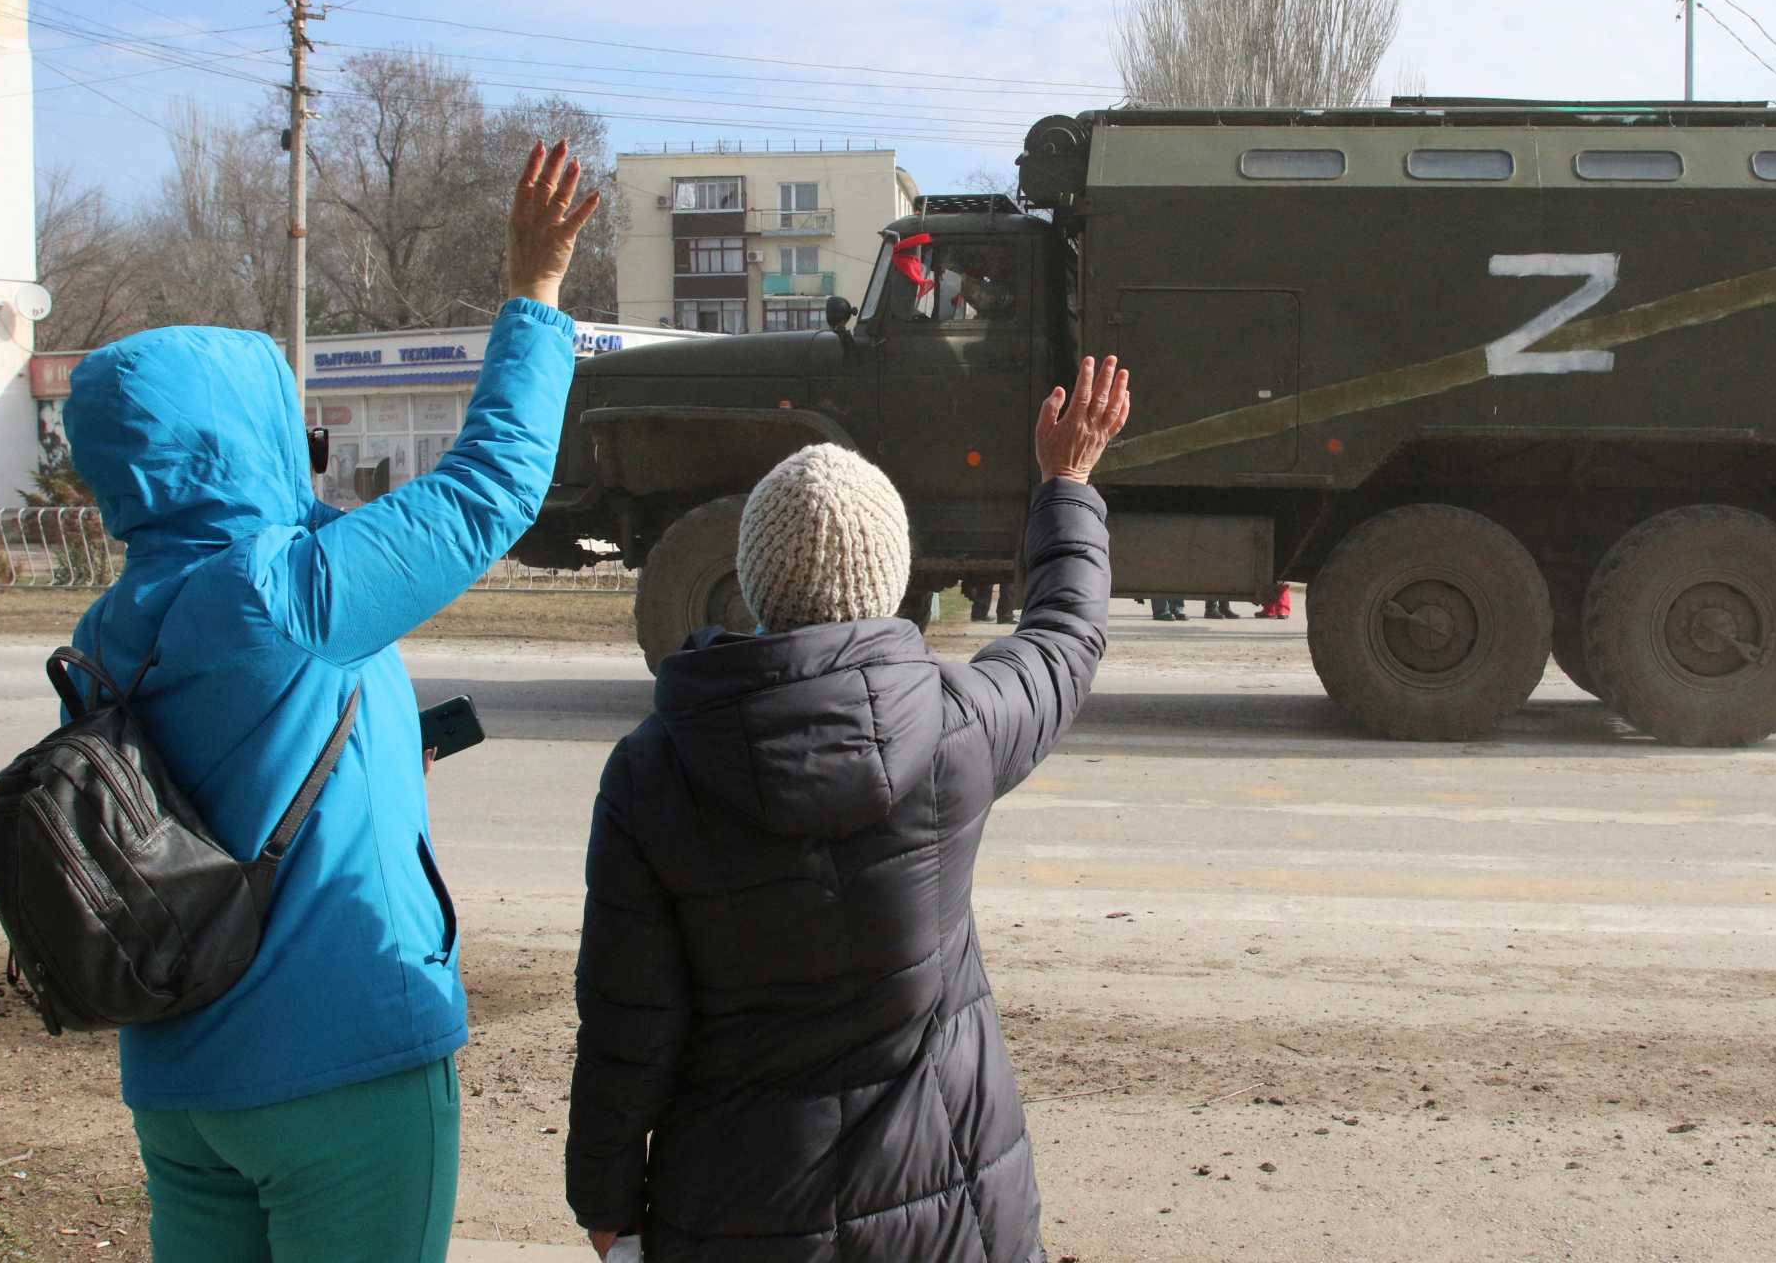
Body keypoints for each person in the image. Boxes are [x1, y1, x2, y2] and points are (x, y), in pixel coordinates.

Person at [61, 141, 599, 1263]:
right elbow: (488, 488)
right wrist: (536, 291)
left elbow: (196, 799)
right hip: (335, 1067)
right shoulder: (277, 595)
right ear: (241, 435)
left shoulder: (111, 627)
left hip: (178, 1083)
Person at [566, 357, 1132, 1262]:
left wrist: (602, 1198)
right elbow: (1064, 637)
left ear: (754, 578)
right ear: (891, 575)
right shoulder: (958, 728)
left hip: (736, 1214)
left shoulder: (651, 772)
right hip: (948, 1213)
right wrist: (1066, 482)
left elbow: (626, 1022)